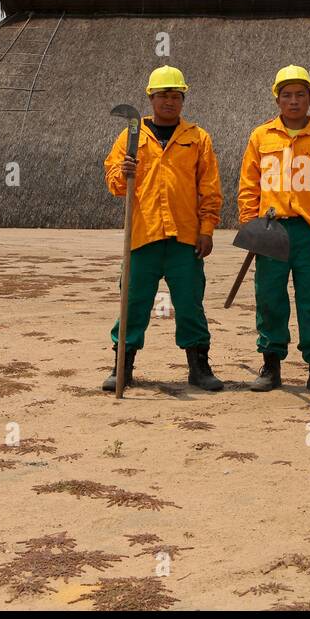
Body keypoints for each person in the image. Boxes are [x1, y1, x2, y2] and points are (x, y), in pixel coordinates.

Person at [102, 65, 224, 392]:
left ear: (183, 98)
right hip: (143, 236)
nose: (169, 101)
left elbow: (209, 188)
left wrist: (207, 228)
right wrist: (123, 172)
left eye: (175, 95)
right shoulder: (131, 136)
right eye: (162, 95)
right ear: (150, 98)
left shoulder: (197, 138)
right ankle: (122, 366)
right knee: (133, 302)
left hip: (185, 237)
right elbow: (114, 182)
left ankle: (199, 367)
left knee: (189, 303)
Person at [238, 65, 310, 396]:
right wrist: (251, 228)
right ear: (277, 99)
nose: (294, 101)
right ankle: (271, 366)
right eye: (287, 95)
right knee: (269, 298)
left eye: (300, 95)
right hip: (270, 230)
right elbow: (248, 187)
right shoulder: (260, 137)